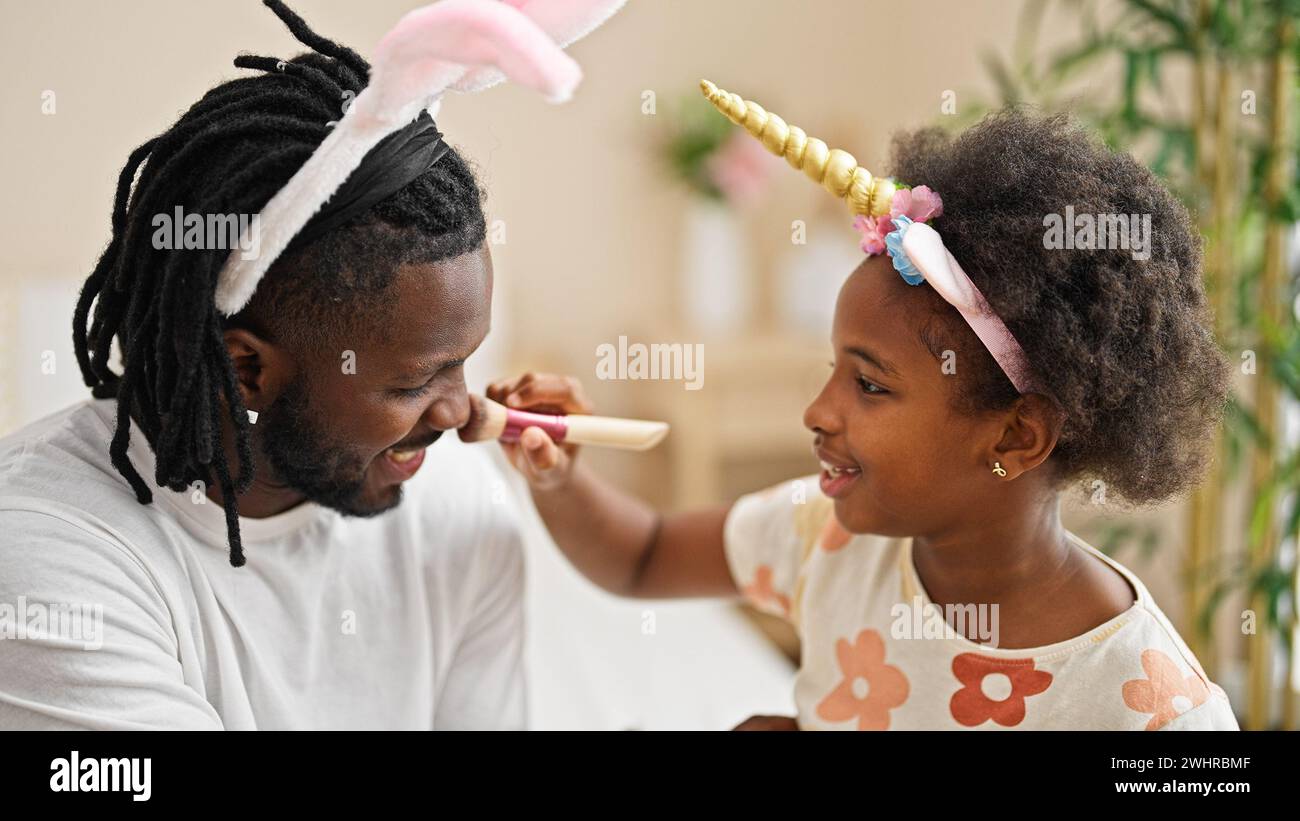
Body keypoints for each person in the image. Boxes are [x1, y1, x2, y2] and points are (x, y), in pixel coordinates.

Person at [490, 90, 1240, 730]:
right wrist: (558, 477)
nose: (817, 411)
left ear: (1015, 433)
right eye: (832, 371)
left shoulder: (1150, 708)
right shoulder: (827, 539)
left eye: (870, 384)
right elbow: (644, 554)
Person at [0, 0, 623, 730]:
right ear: (246, 371)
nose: (458, 412)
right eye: (415, 381)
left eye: (464, 364)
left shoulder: (461, 507)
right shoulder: (49, 562)